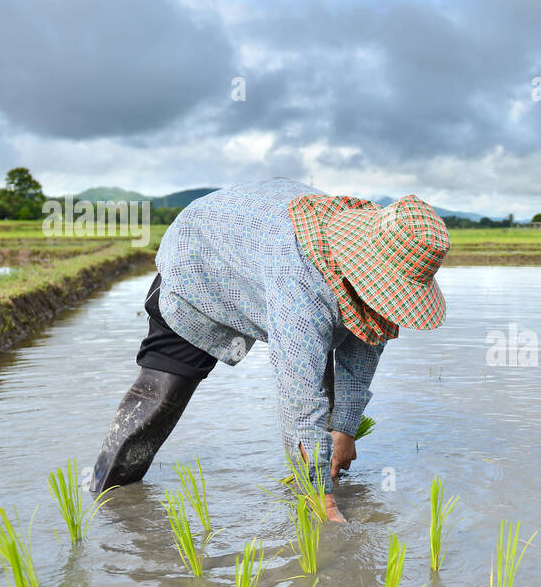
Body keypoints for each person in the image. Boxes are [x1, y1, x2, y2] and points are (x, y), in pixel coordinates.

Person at [88, 177, 450, 522]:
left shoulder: (379, 252)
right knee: (162, 392)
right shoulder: (300, 283)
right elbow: (299, 396)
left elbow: (365, 342)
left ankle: (319, 472)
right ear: (369, 267)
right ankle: (104, 493)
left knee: (328, 413)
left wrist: (345, 428)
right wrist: (320, 500)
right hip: (201, 257)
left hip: (261, 248)